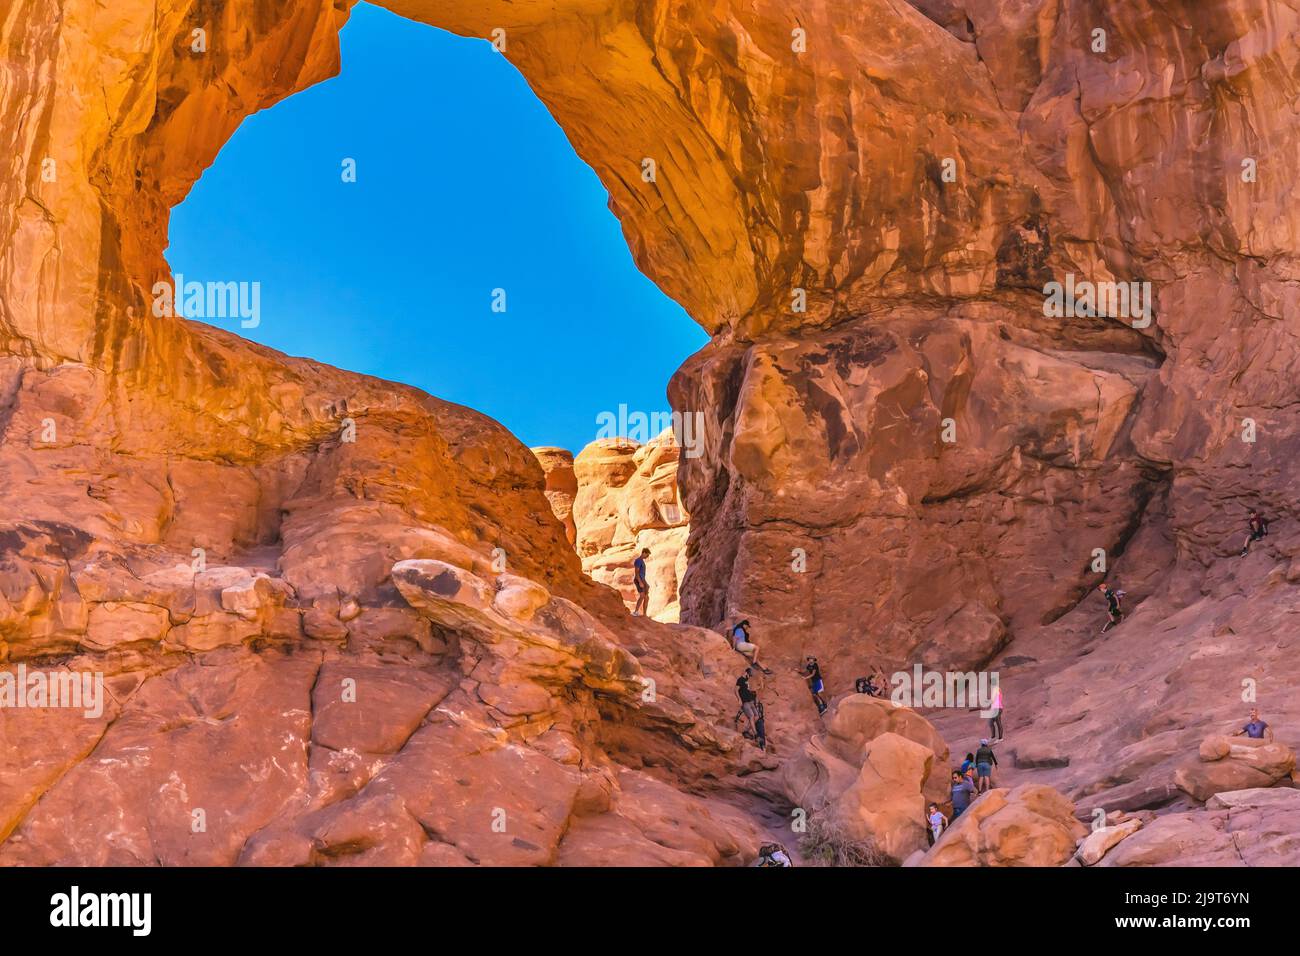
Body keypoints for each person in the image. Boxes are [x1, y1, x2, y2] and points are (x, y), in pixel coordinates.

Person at [735, 667, 760, 738]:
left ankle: (746, 731)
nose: (749, 677)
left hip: (750, 701)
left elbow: (746, 690)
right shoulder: (740, 680)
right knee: (751, 716)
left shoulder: (746, 680)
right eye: (749, 675)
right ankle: (755, 734)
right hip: (745, 702)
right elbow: (736, 690)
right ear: (746, 673)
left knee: (757, 716)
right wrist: (739, 699)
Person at [631, 548, 650, 616]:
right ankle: (635, 612)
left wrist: (645, 583)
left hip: (642, 580)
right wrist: (640, 582)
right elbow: (636, 572)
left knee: (646, 597)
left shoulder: (642, 561)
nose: (647, 557)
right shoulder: (638, 561)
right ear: (644, 553)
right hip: (638, 580)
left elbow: (642, 574)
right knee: (642, 596)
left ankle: (645, 614)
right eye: (647, 555)